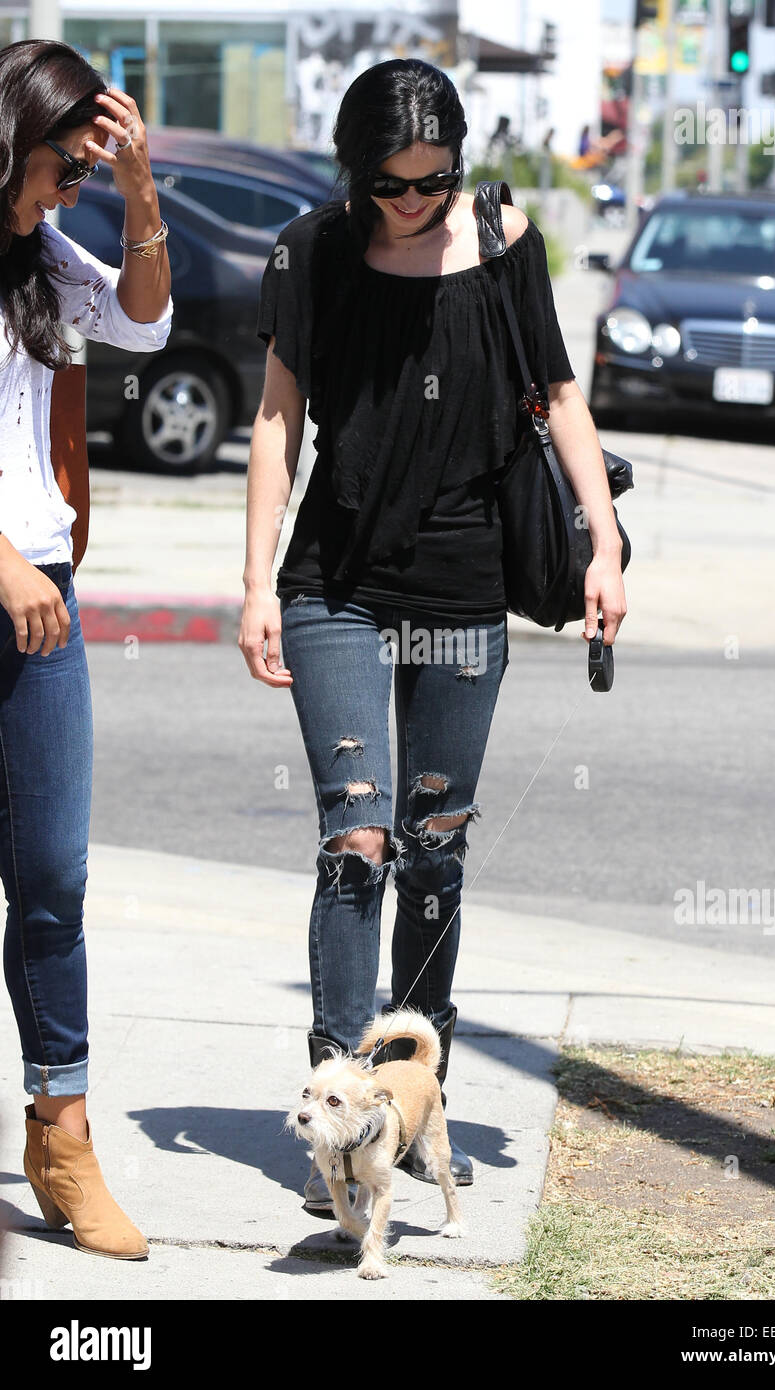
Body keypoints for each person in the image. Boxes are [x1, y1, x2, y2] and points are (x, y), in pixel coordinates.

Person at [239, 57, 626, 1216]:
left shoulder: (505, 243)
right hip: (335, 588)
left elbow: (558, 397)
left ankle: (416, 1088)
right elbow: (275, 414)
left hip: (462, 591)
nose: (411, 205)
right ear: (356, 172)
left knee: (434, 847)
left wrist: (601, 545)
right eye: (389, 186)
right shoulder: (313, 251)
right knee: (357, 841)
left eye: (431, 183)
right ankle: (342, 1114)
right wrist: (254, 580)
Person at [0, 39, 172, 1257]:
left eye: (82, 170)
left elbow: (146, 323)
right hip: (10, 579)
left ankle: (61, 1137)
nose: (71, 187)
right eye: (65, 165)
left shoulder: (45, 257)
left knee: (52, 877)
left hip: (40, 603)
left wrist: (140, 196)